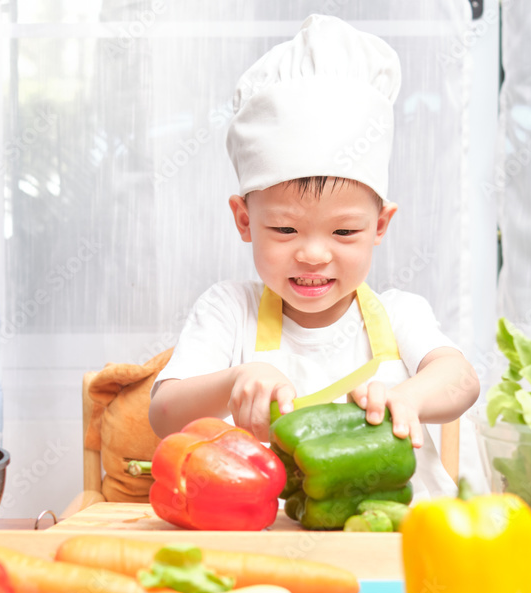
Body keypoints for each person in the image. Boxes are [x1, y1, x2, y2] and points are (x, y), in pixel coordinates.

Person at [148, 15, 480, 497]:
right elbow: (164, 414)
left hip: (404, 544)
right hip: (274, 543)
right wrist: (236, 380)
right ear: (244, 220)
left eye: (344, 231)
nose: (313, 253)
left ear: (380, 226)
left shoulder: (400, 313)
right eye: (284, 229)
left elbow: (461, 380)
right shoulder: (229, 311)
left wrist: (407, 398)